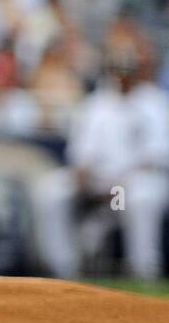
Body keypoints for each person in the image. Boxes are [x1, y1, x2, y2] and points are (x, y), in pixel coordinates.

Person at [31, 43, 169, 280]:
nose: (123, 76)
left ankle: (144, 269)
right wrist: (82, 173)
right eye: (118, 70)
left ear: (139, 71)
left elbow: (158, 154)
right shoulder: (96, 103)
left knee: (142, 198)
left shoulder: (155, 102)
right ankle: (64, 269)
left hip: (139, 179)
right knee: (49, 191)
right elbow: (81, 153)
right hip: (99, 178)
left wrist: (119, 182)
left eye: (128, 70)